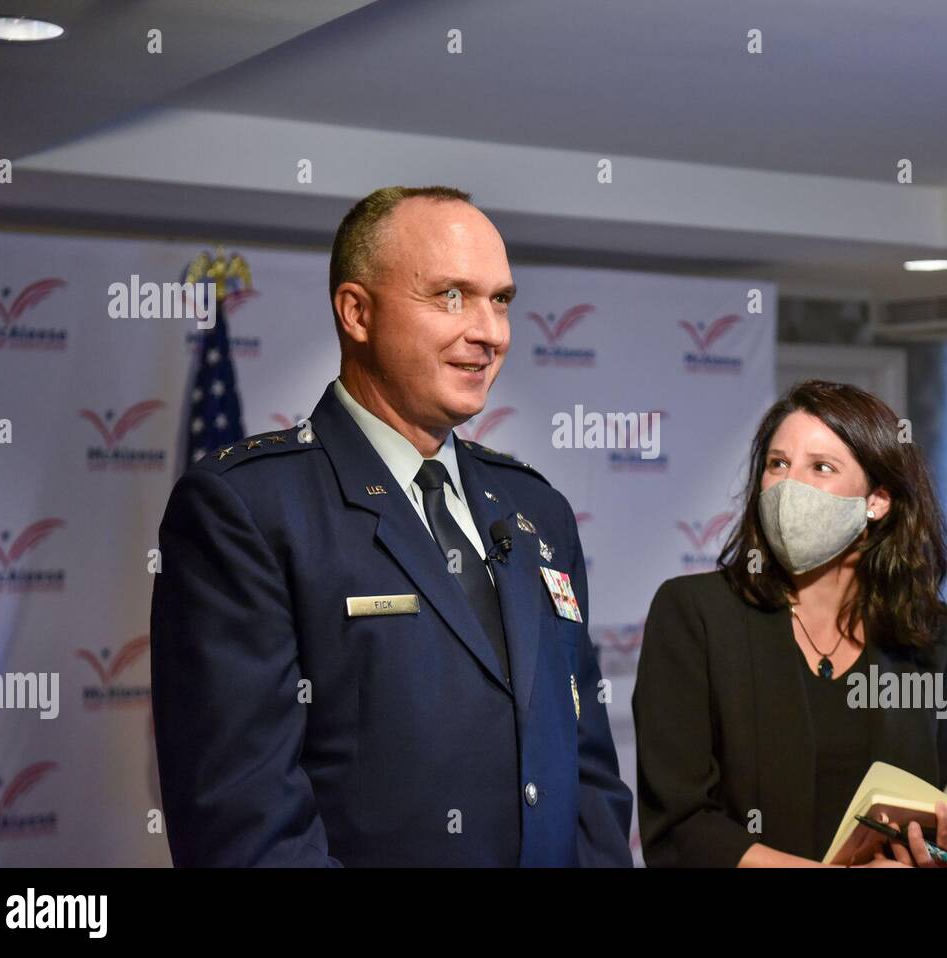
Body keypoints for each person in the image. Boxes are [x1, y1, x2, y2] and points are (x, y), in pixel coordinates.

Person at [150, 185, 632, 866]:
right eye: (452, 297)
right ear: (357, 312)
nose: (489, 332)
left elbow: (587, 773)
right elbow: (246, 825)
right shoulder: (248, 509)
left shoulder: (537, 510)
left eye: (501, 300)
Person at [632, 379, 947, 867]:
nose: (789, 484)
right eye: (778, 464)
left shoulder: (926, 629)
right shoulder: (695, 615)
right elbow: (681, 826)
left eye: (820, 467)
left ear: (878, 501)